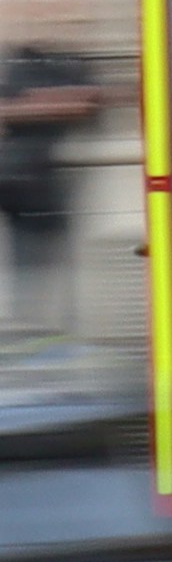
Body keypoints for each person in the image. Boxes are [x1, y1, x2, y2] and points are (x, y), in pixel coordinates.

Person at [0, 30, 93, 342]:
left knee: (40, 269)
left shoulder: (49, 63)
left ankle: (42, 330)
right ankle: (41, 330)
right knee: (37, 269)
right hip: (30, 182)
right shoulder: (24, 63)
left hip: (38, 182)